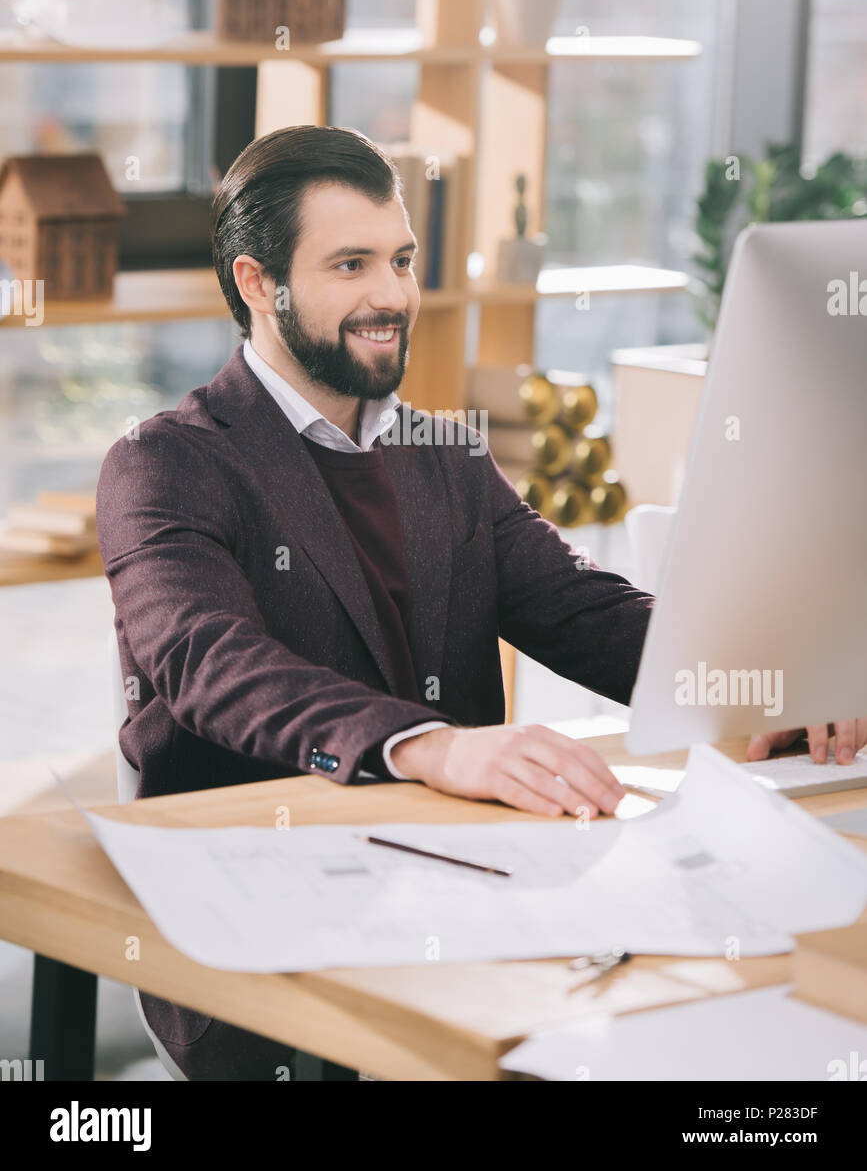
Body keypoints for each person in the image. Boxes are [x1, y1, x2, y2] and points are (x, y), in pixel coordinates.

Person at [95, 125, 864, 1079]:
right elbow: (211, 664)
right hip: (263, 927)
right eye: (350, 265)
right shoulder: (166, 461)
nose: (391, 296)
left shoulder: (443, 454)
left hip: (462, 895)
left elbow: (581, 609)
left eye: (402, 260)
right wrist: (434, 745)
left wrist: (775, 682)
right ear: (259, 284)